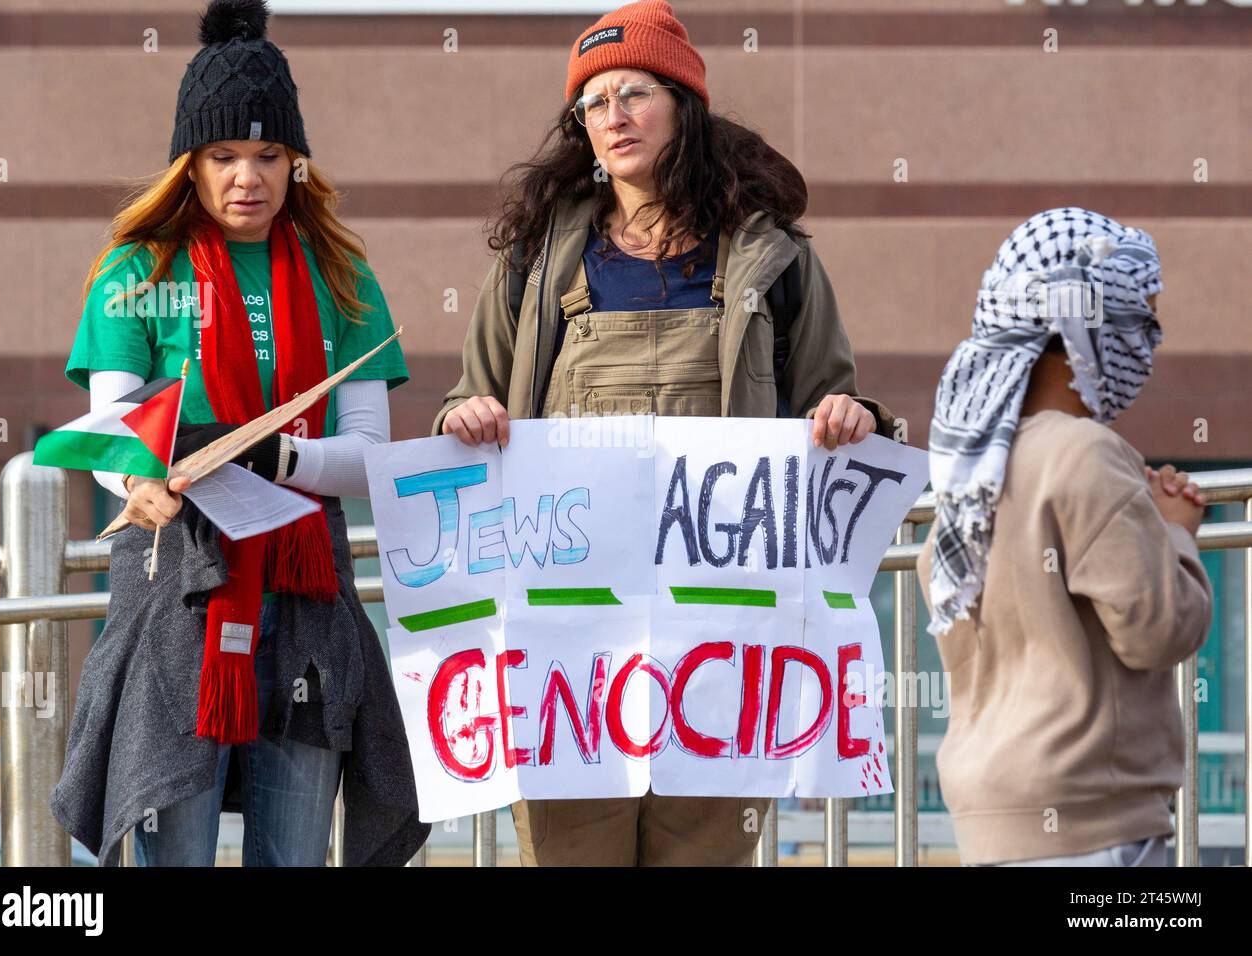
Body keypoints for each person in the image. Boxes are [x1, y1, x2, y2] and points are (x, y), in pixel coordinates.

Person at [434, 0, 894, 866]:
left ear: (686, 105)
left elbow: (838, 411)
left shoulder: (777, 262)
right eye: (594, 102)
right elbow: (469, 405)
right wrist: (466, 418)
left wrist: (850, 419)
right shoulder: (532, 263)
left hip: (722, 648)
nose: (613, 116)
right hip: (570, 658)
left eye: (635, 92)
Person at [50, 0, 427, 867]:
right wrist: (136, 481)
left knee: (291, 859)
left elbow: (371, 459)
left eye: (268, 155)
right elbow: (114, 427)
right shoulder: (138, 269)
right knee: (170, 847)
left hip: (307, 599)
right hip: (177, 585)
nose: (246, 177)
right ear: (190, 164)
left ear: (297, 161)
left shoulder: (345, 274)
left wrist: (279, 456)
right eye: (223, 156)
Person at [917, 207, 1213, 867]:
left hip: (990, 824)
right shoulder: (1085, 454)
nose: (1151, 343)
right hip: (1096, 829)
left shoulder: (968, 473)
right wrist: (1177, 536)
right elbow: (1158, 629)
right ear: (1082, 328)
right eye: (1140, 319)